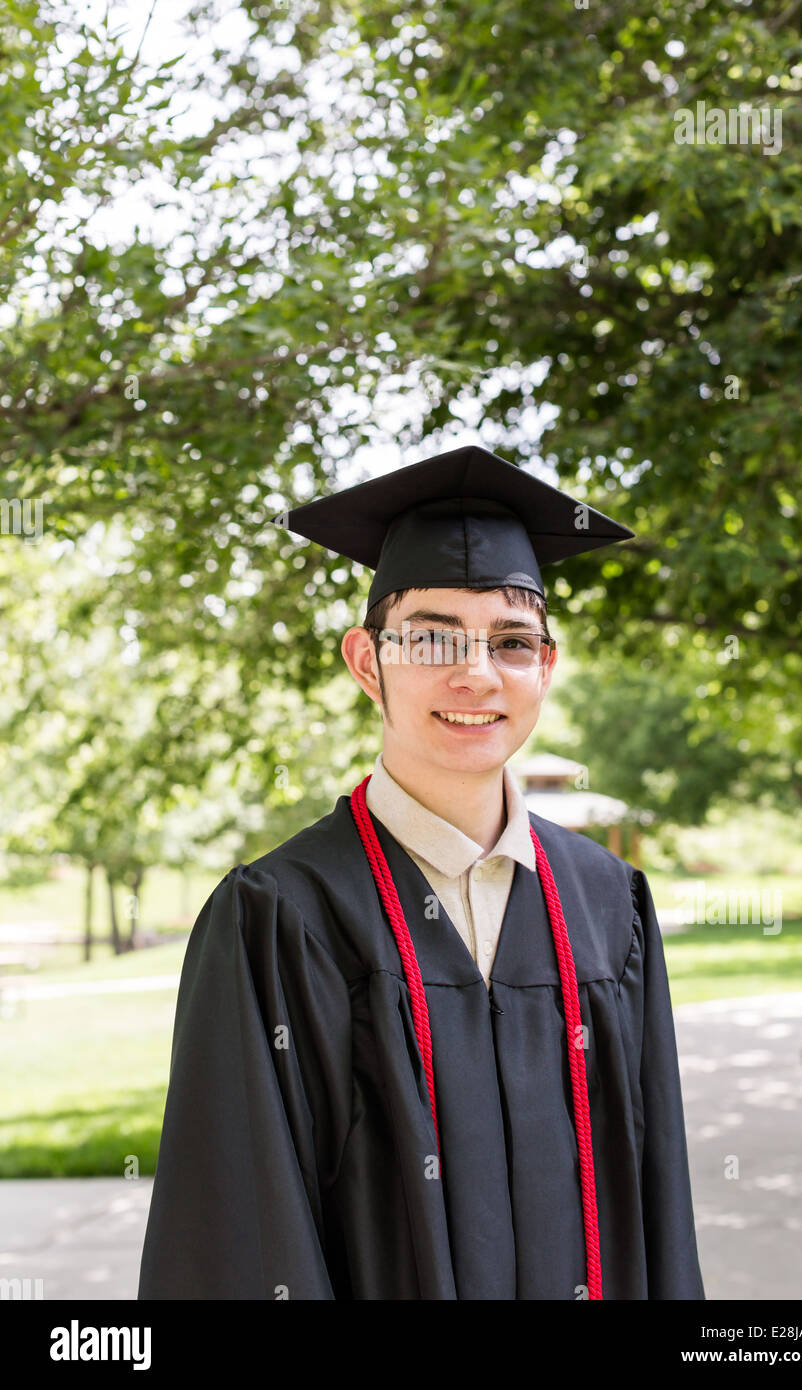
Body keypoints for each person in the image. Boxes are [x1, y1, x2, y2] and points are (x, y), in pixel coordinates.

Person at [137, 443, 705, 1300]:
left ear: (544, 668)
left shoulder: (607, 902)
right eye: (433, 636)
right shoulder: (278, 916)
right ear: (368, 662)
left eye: (512, 642)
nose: (475, 673)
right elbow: (237, 1232)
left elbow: (658, 1204)